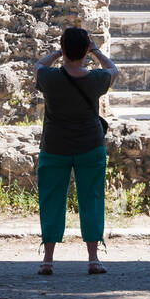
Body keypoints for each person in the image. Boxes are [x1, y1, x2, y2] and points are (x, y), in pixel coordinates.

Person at [31, 26, 118, 275]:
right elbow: (113, 70)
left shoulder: (49, 78)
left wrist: (58, 53)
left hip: (54, 146)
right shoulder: (95, 80)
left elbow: (37, 65)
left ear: (64, 47)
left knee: (51, 200)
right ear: (85, 50)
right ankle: (93, 258)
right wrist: (97, 51)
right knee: (91, 199)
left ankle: (48, 259)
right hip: (90, 145)